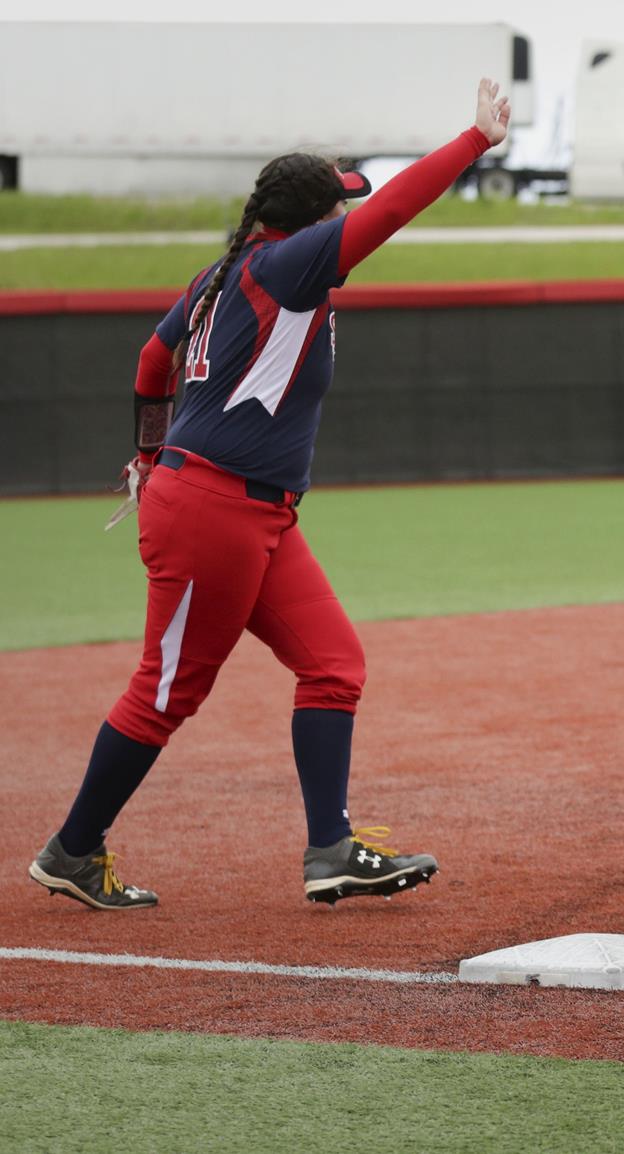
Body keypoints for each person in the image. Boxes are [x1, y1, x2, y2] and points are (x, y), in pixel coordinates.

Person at [28, 79, 512, 911]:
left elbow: (151, 363)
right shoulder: (291, 262)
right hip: (214, 509)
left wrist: (148, 450)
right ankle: (72, 850)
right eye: (337, 207)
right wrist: (473, 142)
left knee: (333, 665)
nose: (345, 217)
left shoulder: (224, 275)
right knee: (167, 690)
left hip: (256, 512)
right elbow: (387, 213)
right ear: (309, 220)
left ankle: (330, 849)